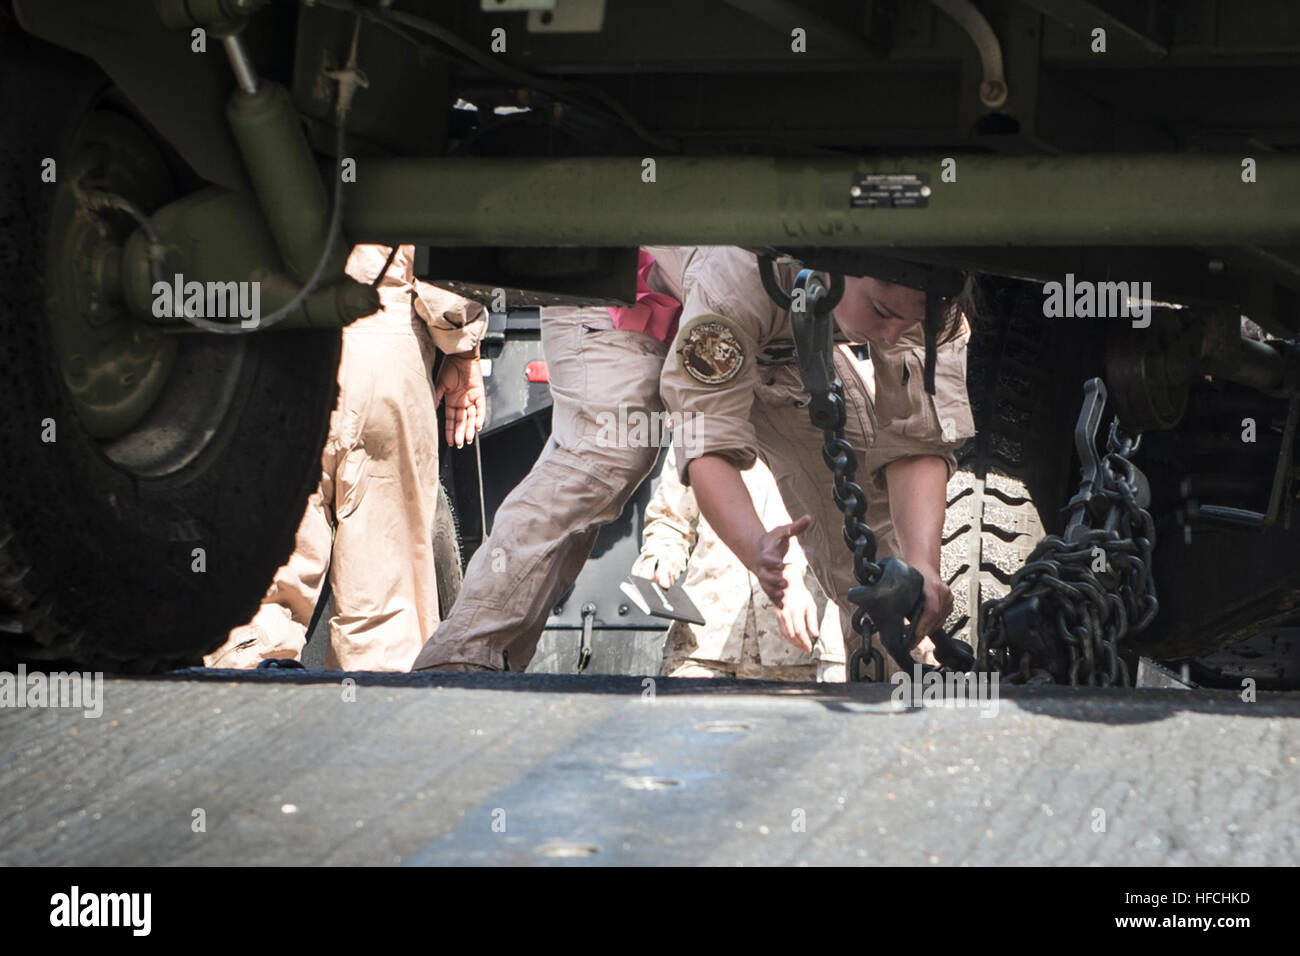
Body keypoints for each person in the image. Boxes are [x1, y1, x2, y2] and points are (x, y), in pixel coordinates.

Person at [659, 246, 976, 674]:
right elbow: (707, 438)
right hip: (626, 308)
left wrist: (921, 563)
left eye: (911, 321)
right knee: (594, 468)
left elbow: (916, 434)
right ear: (838, 268)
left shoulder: (924, 301)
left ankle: (897, 719)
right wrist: (755, 545)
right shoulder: (732, 287)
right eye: (881, 312)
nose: (890, 334)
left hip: (791, 330)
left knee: (884, 566)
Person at [411, 247, 702, 672]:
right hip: (605, 295)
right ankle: (465, 651)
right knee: (598, 459)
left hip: (618, 298)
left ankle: (490, 659)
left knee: (596, 472)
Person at [204, 243, 487, 671]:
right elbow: (439, 262)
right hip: (382, 348)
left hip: (274, 350)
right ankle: (372, 705)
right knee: (385, 583)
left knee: (269, 562)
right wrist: (464, 351)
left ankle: (248, 680)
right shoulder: (403, 172)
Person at [633, 445, 844, 681]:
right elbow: (671, 518)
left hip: (794, 650)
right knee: (684, 716)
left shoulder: (813, 428)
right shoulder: (702, 425)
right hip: (703, 643)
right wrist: (660, 559)